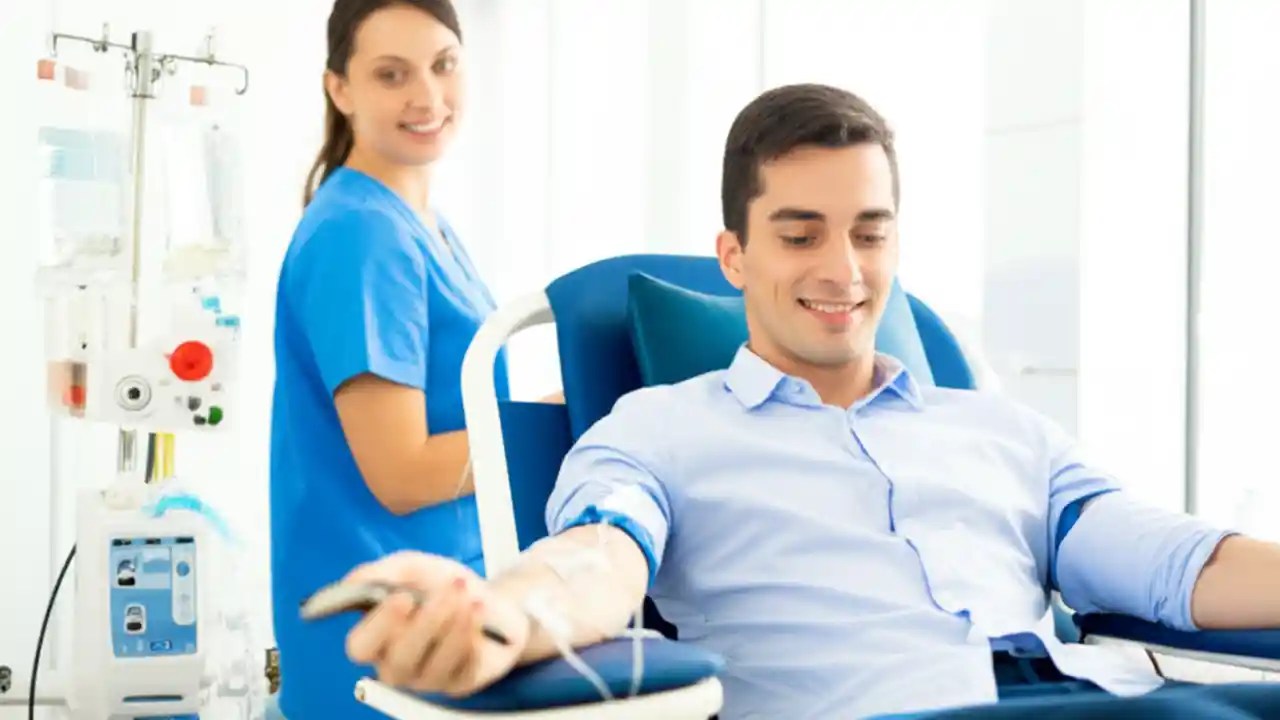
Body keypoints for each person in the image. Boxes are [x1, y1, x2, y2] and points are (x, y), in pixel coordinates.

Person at [331, 84, 1280, 718]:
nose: (843, 269)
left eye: (869, 233)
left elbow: (1170, 564)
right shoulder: (659, 431)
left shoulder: (999, 429)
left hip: (1090, 695)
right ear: (734, 256)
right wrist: (508, 614)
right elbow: (596, 558)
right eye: (800, 235)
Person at [268, 1, 549, 717]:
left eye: (443, 65)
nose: (427, 96)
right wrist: (558, 424)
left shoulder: (418, 222)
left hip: (438, 613)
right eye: (392, 75)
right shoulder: (364, 234)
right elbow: (400, 473)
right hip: (384, 633)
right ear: (341, 89)